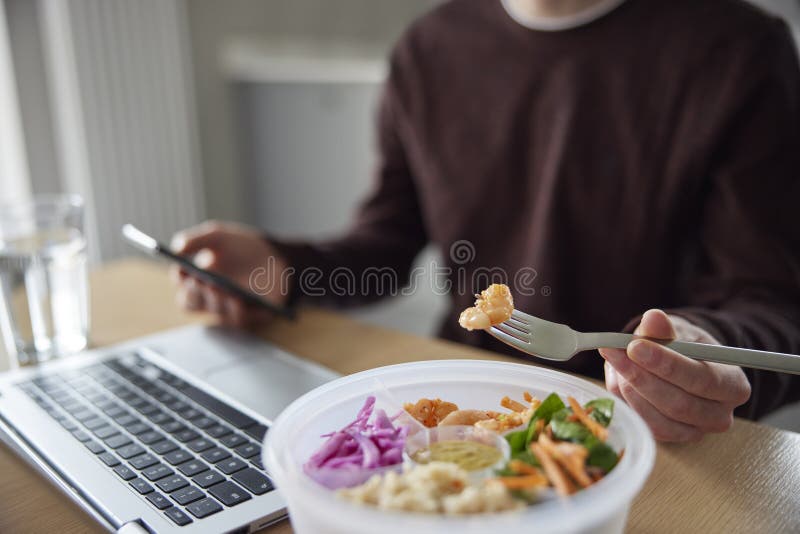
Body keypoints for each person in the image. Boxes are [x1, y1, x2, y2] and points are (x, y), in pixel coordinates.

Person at [171, 0, 800, 442]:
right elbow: (383, 253)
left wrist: (709, 357)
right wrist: (283, 269)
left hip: (646, 436)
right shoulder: (429, 49)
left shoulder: (738, 50)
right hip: (471, 410)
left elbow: (771, 305)